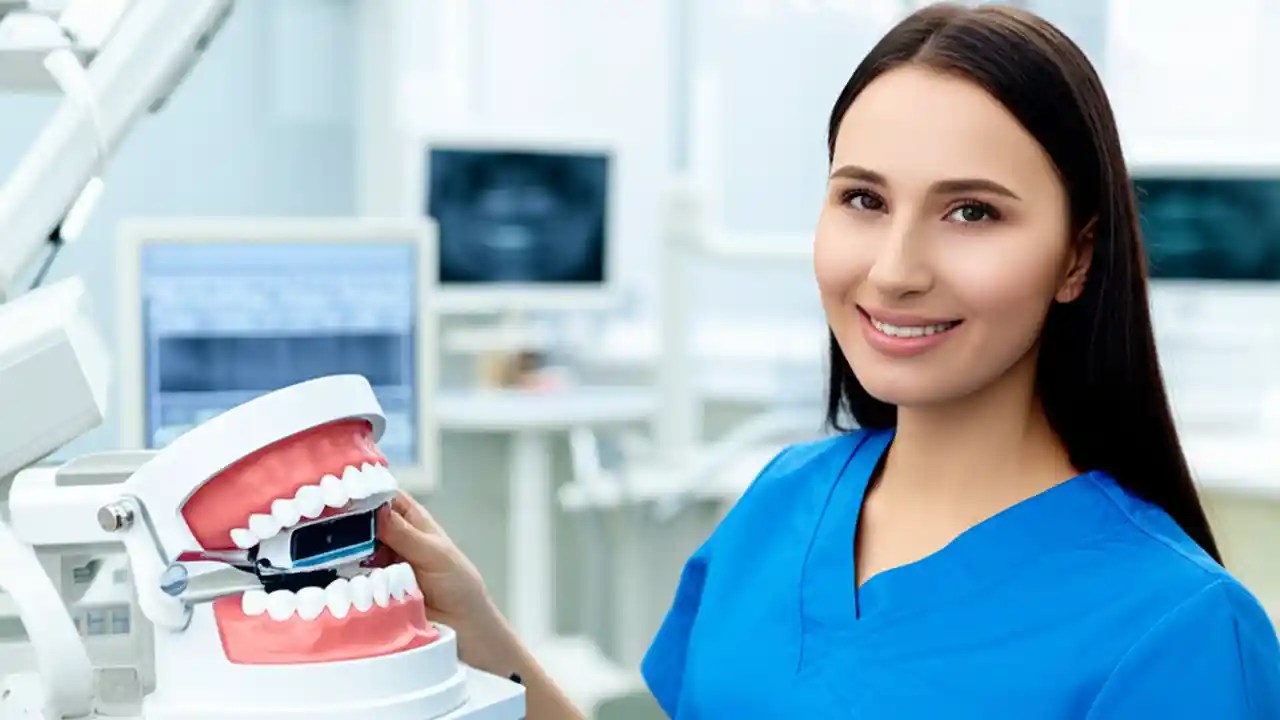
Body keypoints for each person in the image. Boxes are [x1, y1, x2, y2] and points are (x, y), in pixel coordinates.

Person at [377, 2, 1280, 717]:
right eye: (863, 199)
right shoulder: (785, 500)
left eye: (972, 212)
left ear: (1078, 257)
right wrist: (476, 630)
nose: (895, 271)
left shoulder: (1180, 632)